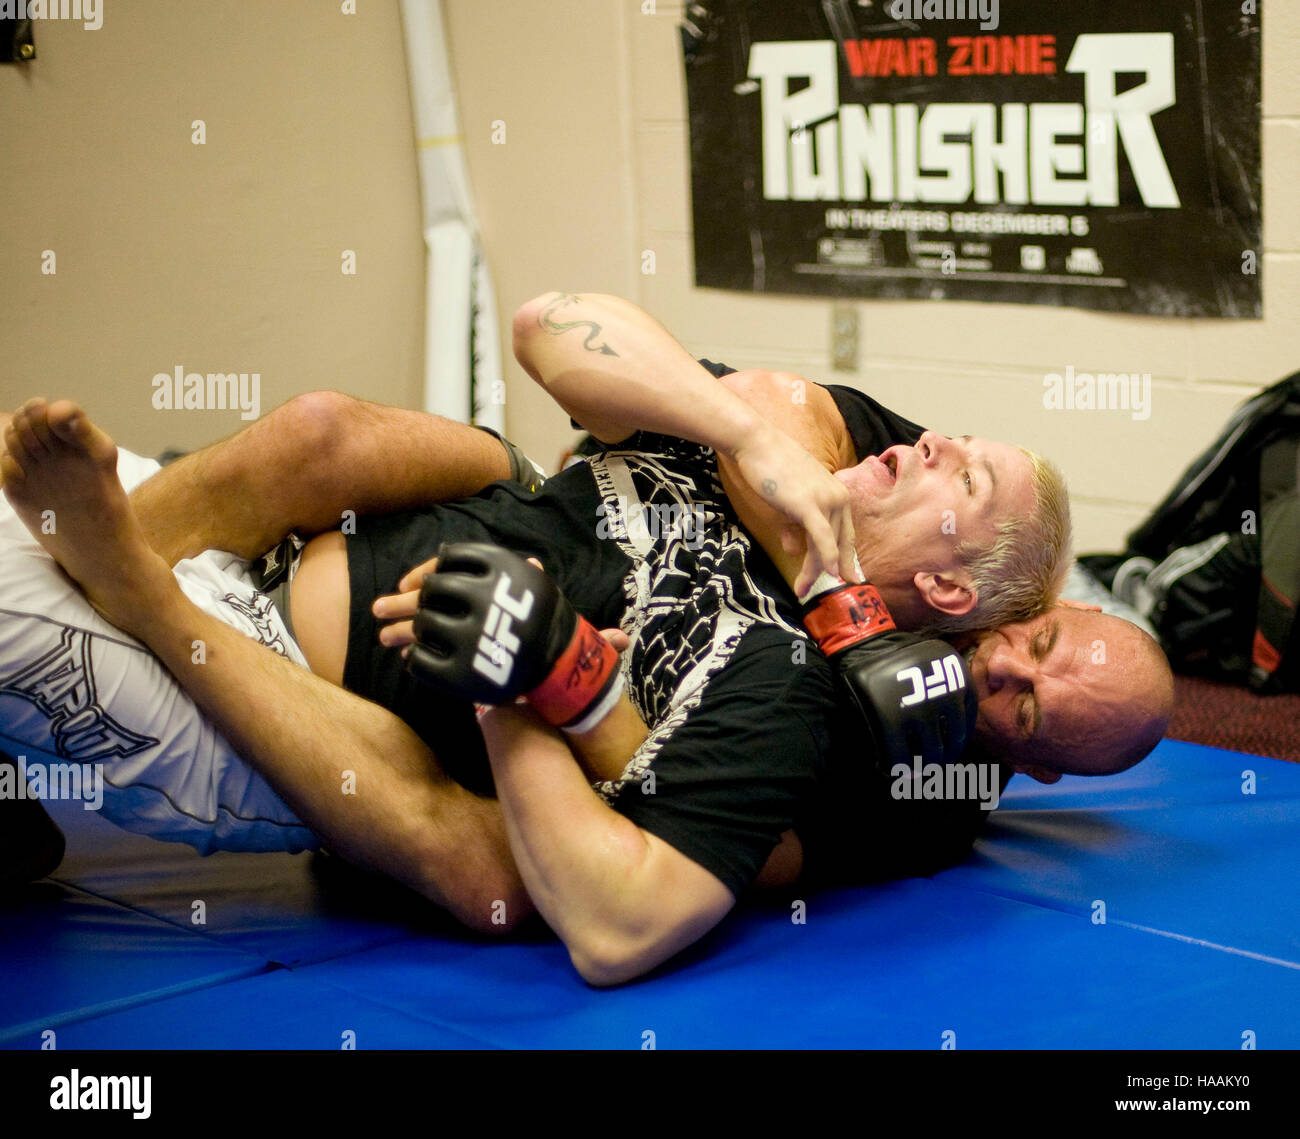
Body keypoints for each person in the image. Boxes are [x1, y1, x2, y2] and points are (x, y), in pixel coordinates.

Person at [0, 293, 1167, 982]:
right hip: (286, 529)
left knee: (489, 872)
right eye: (1051, 639)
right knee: (323, 427)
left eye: (1031, 699)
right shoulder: (794, 444)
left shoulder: (835, 719)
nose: (922, 443)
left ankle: (120, 578)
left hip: (281, 687)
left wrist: (550, 686)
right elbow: (556, 323)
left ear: (956, 593)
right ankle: (101, 577)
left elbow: (655, 892)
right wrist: (738, 436)